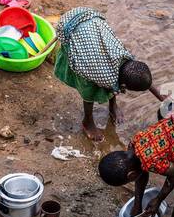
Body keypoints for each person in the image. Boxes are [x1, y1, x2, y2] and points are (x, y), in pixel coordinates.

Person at [55, 7, 161, 141]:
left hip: (87, 18)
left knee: (111, 84)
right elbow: (110, 86)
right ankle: (87, 121)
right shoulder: (99, 73)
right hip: (70, 27)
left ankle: (113, 106)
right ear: (122, 85)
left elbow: (140, 77)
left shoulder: (124, 57)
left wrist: (160, 96)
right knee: (89, 89)